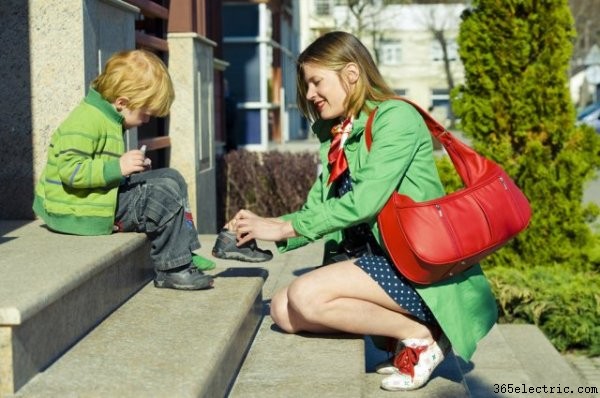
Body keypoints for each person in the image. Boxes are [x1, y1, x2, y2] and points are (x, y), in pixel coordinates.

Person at [225, 31, 497, 391]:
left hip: (413, 264)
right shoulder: (340, 133)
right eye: (307, 84)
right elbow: (320, 209)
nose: (309, 94)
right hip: (375, 261)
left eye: (316, 81)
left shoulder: (394, 118)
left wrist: (286, 230)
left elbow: (364, 201)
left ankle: (422, 336)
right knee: (282, 309)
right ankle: (409, 334)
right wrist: (265, 225)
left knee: (306, 296)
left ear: (351, 73)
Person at [33, 49, 214, 291]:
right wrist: (118, 166)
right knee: (160, 195)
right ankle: (171, 269)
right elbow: (70, 171)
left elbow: (100, 168)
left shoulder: (109, 117)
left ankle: (184, 252)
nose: (147, 120)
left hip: (97, 197)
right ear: (122, 103)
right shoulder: (86, 120)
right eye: (145, 113)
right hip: (80, 209)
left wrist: (129, 167)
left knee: (172, 177)